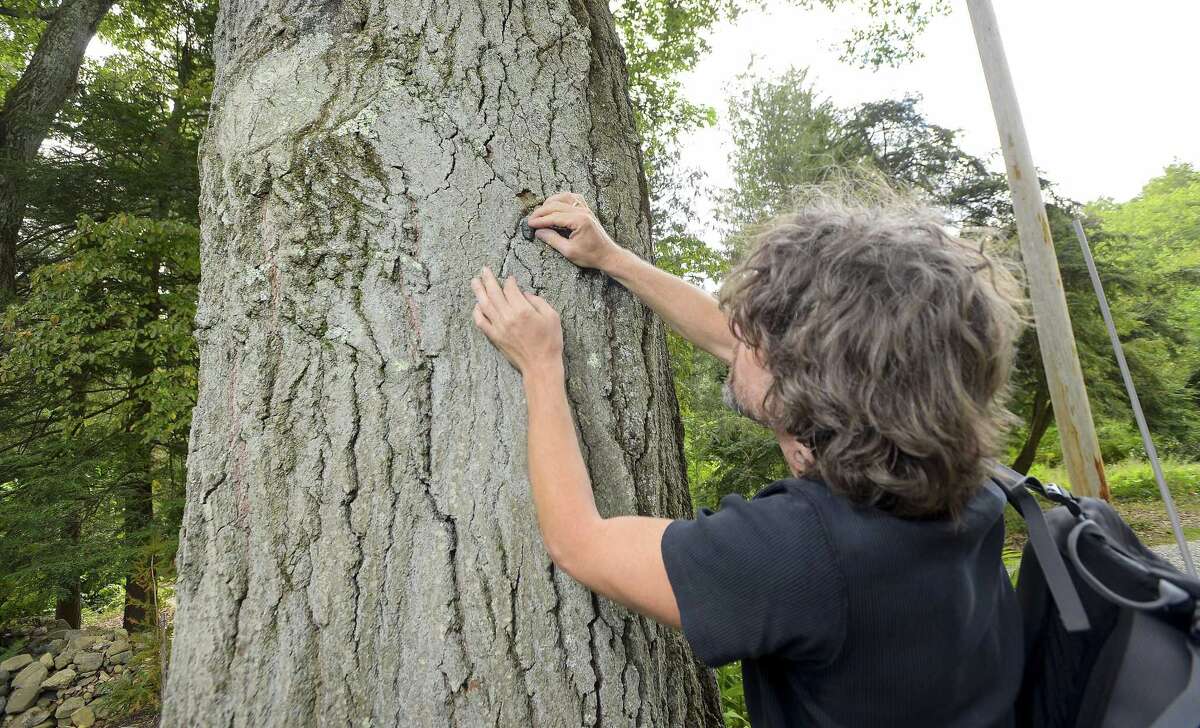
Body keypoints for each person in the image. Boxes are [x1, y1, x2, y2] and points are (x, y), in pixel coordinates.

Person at [468, 189, 1026, 727]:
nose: (735, 331)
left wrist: (541, 368)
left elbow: (579, 542)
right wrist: (611, 257)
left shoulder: (798, 553)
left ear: (809, 383)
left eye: (756, 329)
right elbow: (733, 346)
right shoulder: (966, 484)